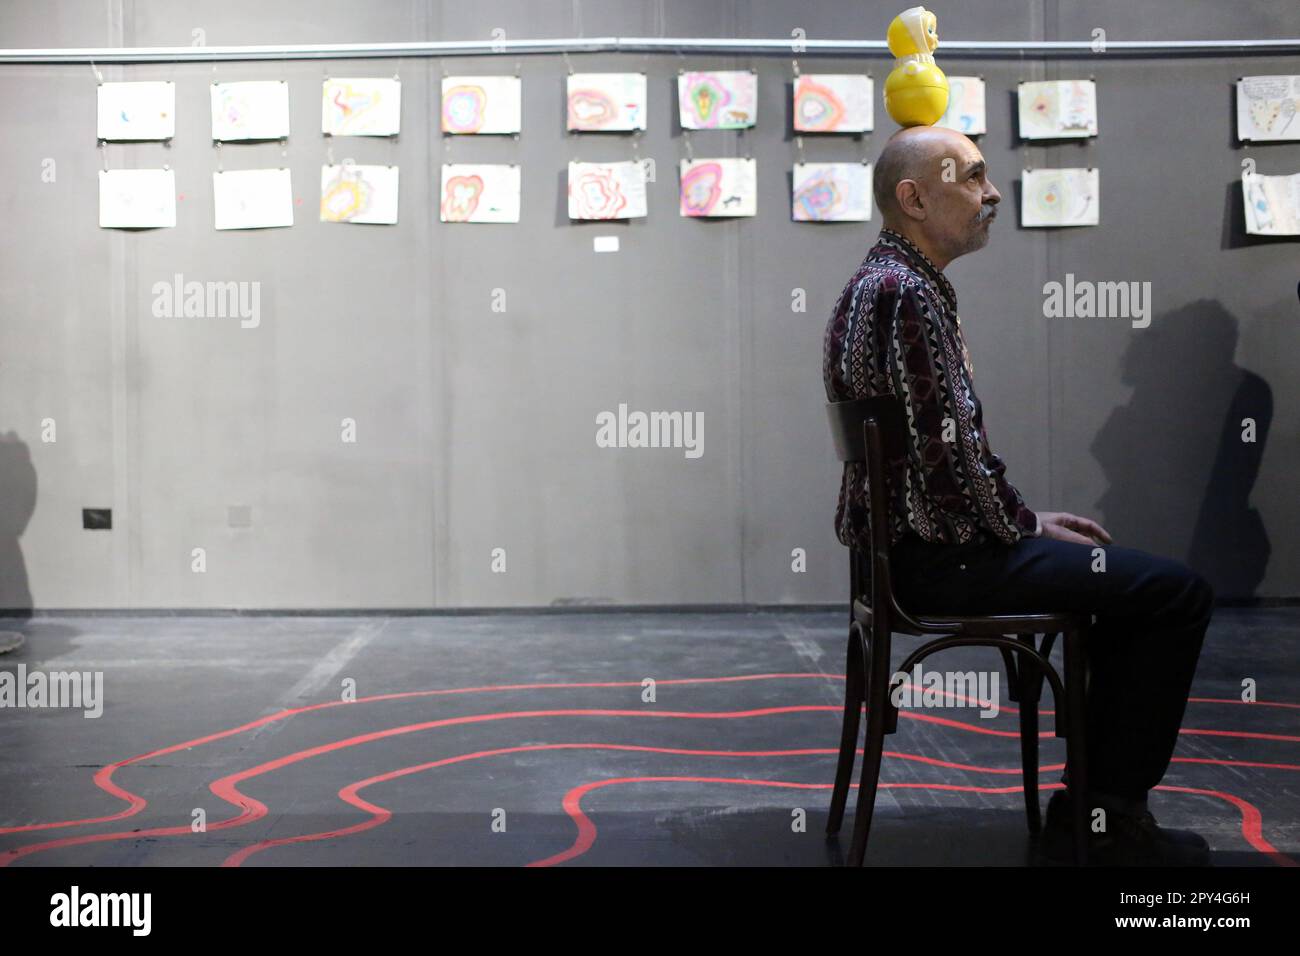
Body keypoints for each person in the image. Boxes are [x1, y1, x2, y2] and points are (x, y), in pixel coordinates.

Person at [822, 125, 1214, 866]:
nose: (992, 192)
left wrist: (1029, 522)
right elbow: (946, 467)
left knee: (1125, 586)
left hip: (912, 554)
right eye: (971, 177)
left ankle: (1094, 801)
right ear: (913, 198)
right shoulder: (907, 296)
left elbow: (943, 457)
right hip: (943, 562)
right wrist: (1024, 529)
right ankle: (1105, 811)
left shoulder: (881, 284)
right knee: (1178, 591)